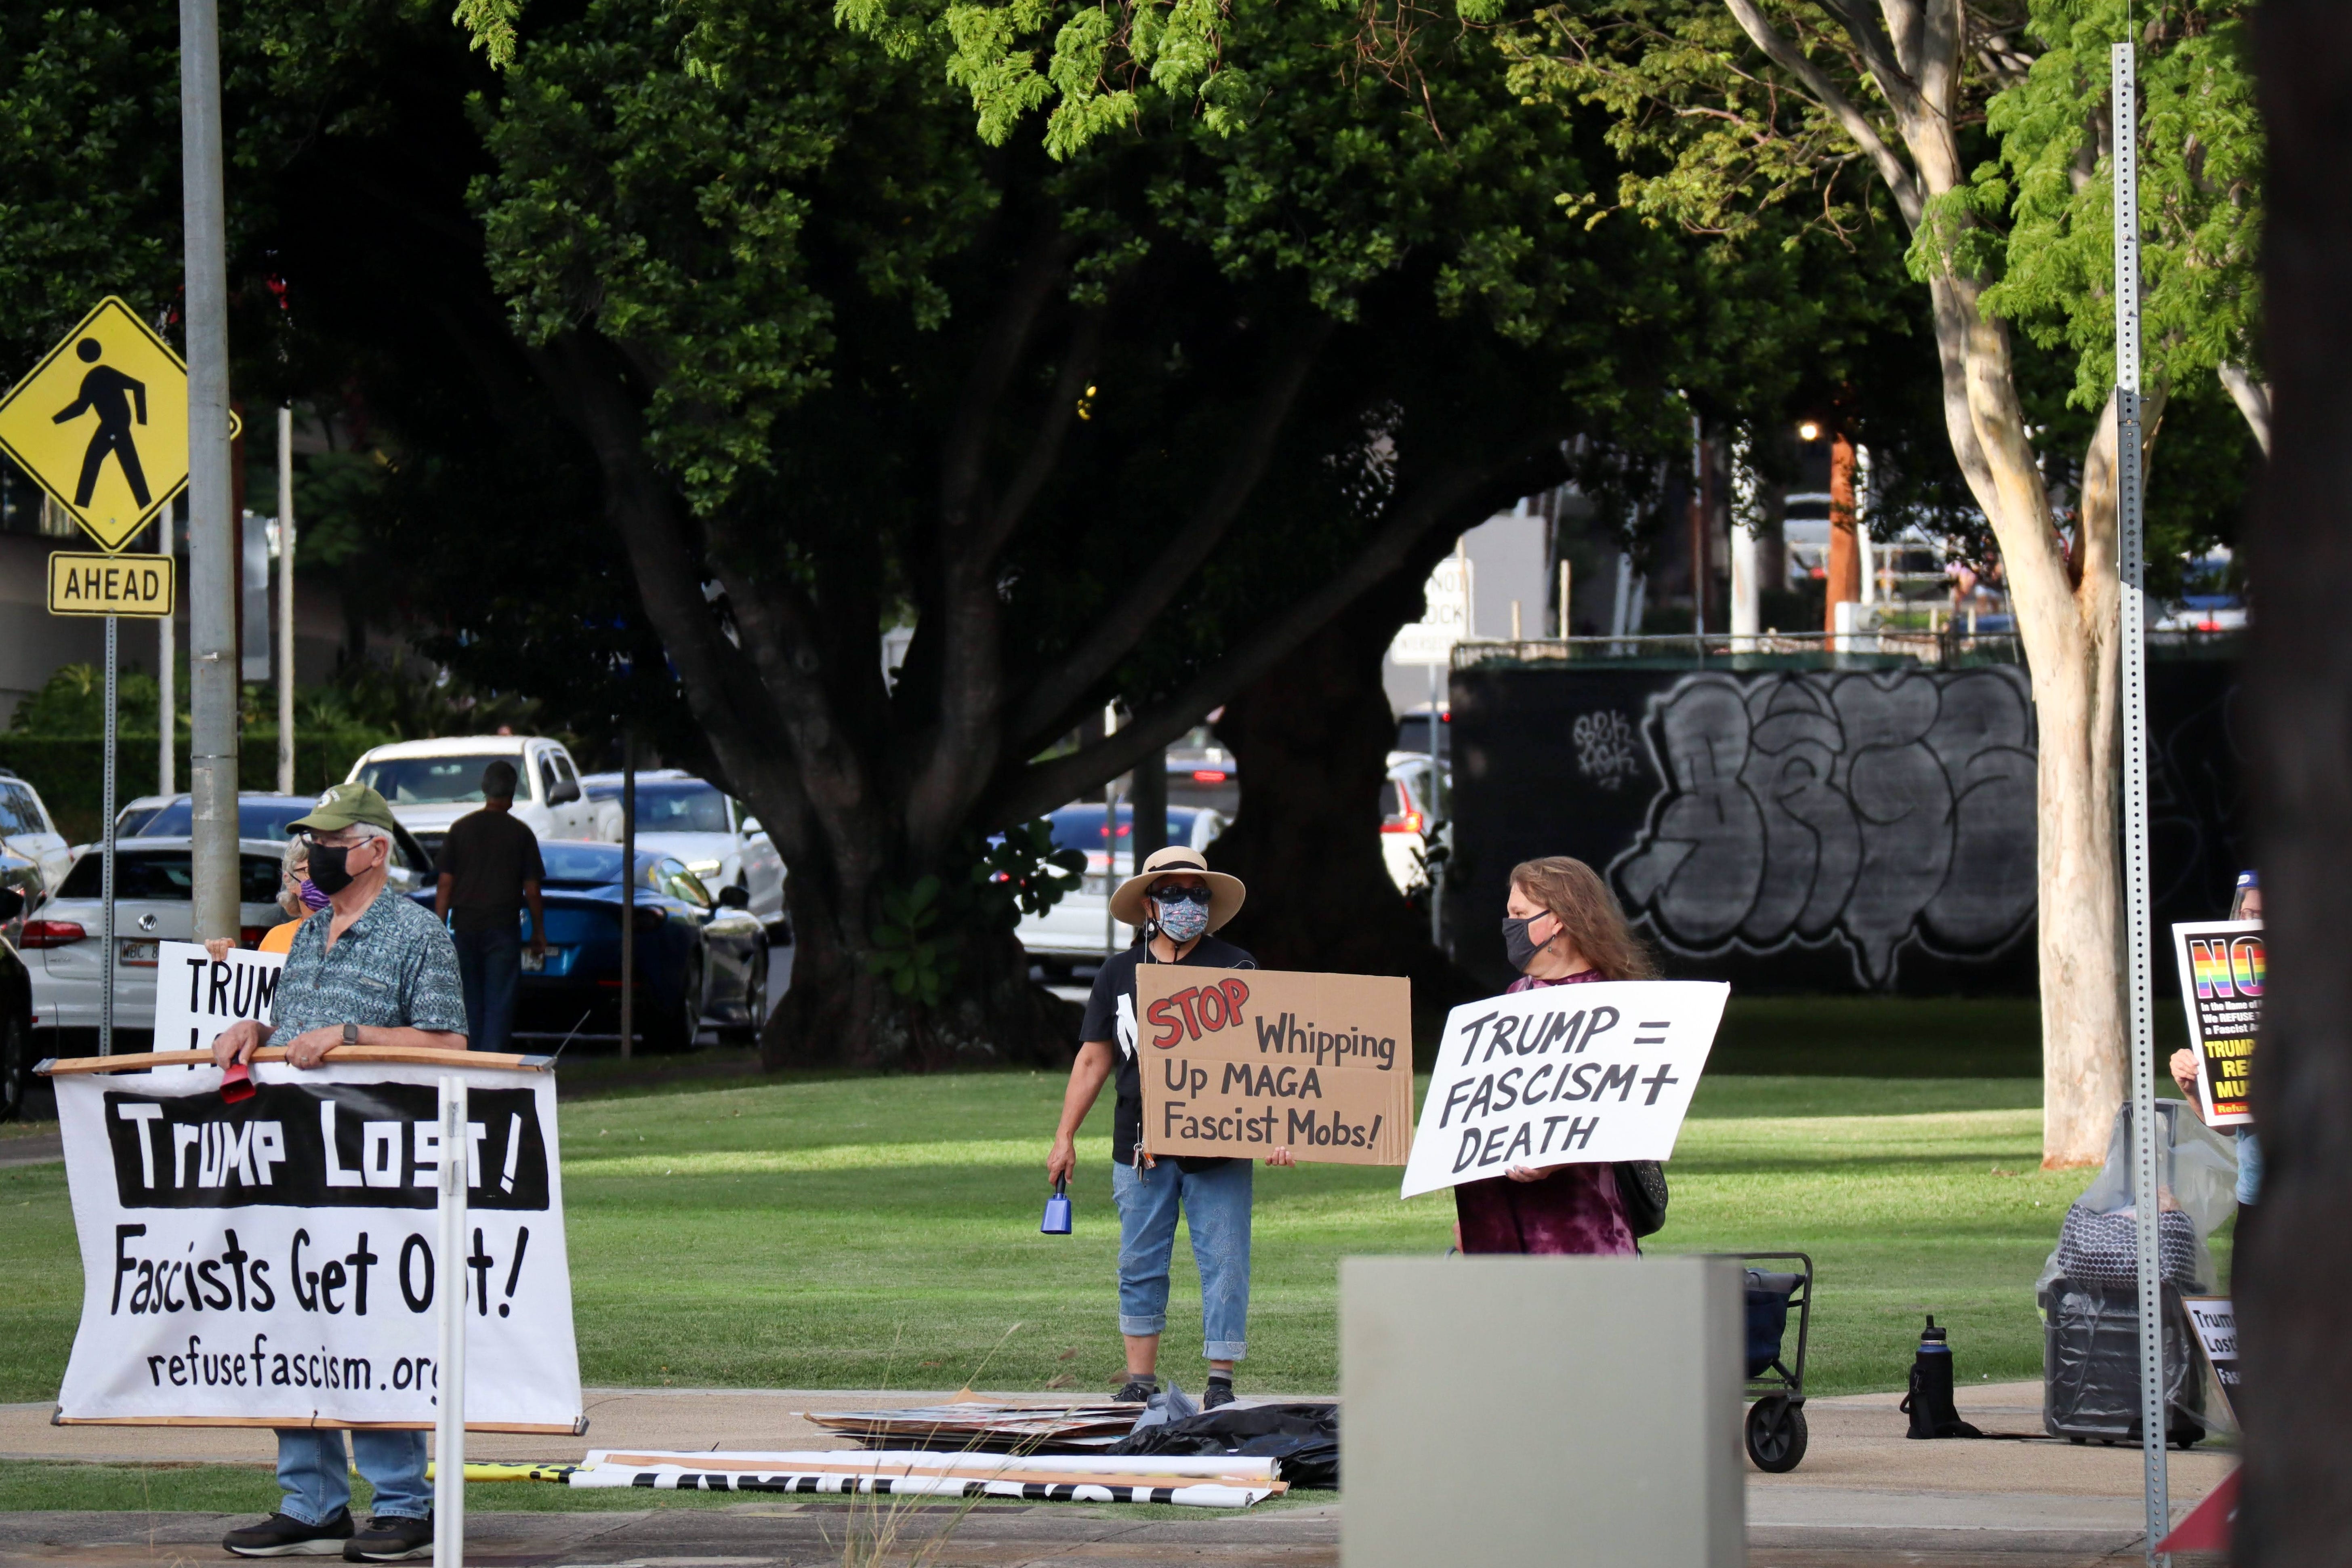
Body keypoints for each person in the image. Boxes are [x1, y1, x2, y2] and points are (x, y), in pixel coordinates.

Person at [210, 782, 469, 1561]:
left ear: (375, 850)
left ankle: (403, 1503)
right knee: (294, 1325)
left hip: (375, 1170)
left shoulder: (420, 934)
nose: (314, 855)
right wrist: (253, 1029)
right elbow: (294, 1031)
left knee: (372, 1326)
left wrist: (353, 1033)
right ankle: (312, 1502)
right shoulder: (306, 932)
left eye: (330, 840)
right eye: (313, 842)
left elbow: (450, 1046)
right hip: (294, 1161)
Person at [1047, 845, 1294, 1410]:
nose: (1187, 903)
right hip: (1138, 1145)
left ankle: (1220, 1378)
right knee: (1139, 1256)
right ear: (1147, 905)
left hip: (1221, 1141)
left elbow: (1270, 1059)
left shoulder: (1237, 967)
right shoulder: (1117, 973)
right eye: (1173, 893)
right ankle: (1139, 1380)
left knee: (1226, 1254)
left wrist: (1277, 1128)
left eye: (1198, 893)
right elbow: (1092, 1059)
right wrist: (1064, 1135)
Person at [1455, 855, 1657, 1256]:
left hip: (1584, 1229)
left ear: (1558, 919)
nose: (1509, 925)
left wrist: (1560, 1157)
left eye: (1519, 914)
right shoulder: (1517, 996)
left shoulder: (1616, 1004)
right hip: (1505, 1224)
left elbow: (1634, 1115)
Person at [2170, 869, 2262, 1244]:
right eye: (2247, 916)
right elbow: (2227, 1123)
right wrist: (2191, 1088)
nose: (2255, 925)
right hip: (2258, 1194)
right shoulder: (2230, 1000)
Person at [433, 761, 547, 1055]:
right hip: (503, 928)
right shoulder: (521, 834)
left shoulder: (460, 830)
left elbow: (445, 884)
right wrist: (538, 932)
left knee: (469, 1000)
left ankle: (469, 1062)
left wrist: (437, 929)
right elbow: (532, 890)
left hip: (466, 926)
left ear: (484, 790)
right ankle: (493, 1065)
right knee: (500, 1002)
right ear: (512, 794)